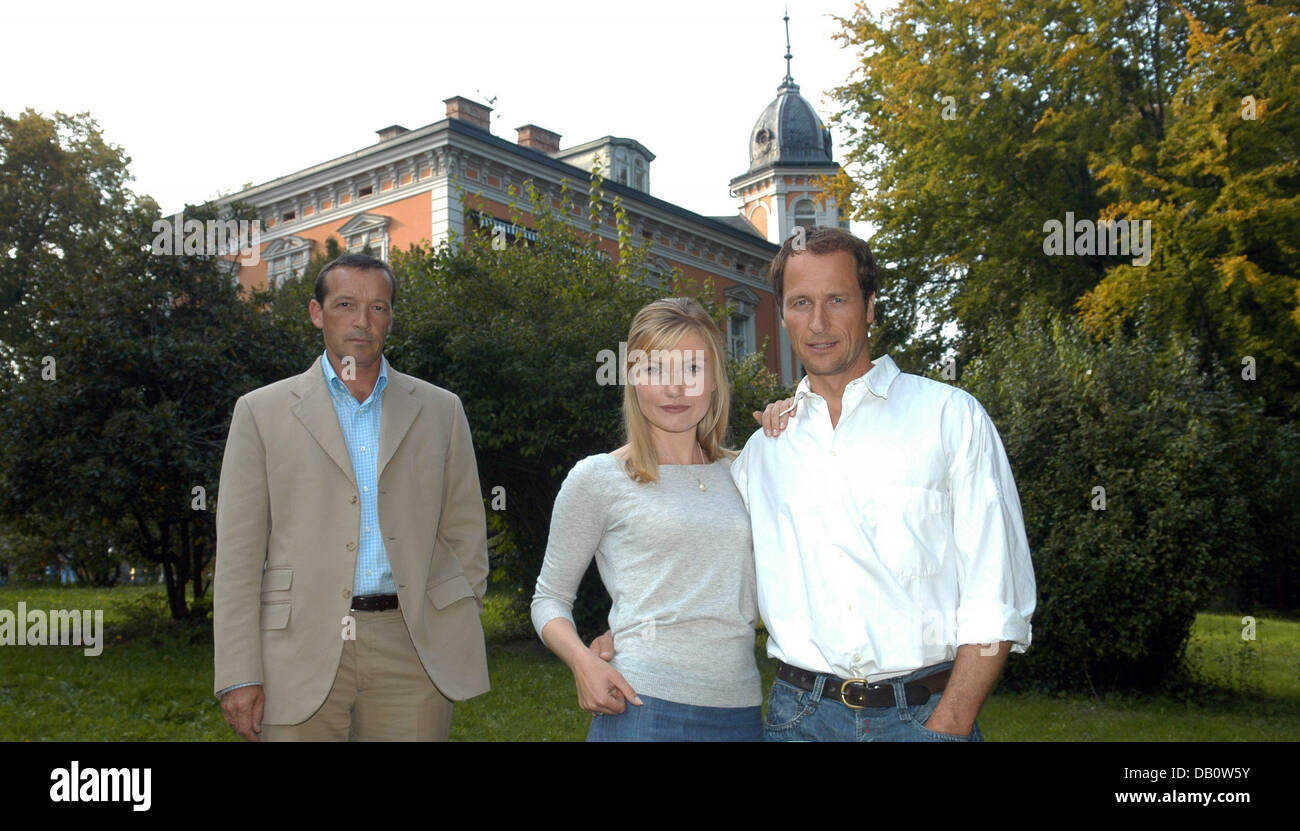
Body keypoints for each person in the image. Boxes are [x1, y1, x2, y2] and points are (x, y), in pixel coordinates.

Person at [595, 228, 1036, 741]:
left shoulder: (949, 418)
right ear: (782, 314)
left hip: (924, 715)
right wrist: (632, 632)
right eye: (801, 303)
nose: (819, 323)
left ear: (870, 307)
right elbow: (714, 566)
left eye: (838, 300)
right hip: (798, 719)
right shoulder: (764, 453)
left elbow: (996, 592)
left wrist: (951, 723)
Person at [213, 252, 490, 741]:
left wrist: (456, 612)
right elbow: (237, 557)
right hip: (297, 646)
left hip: (413, 645)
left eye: (378, 307)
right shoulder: (261, 412)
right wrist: (239, 672)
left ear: (390, 317)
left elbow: (465, 527)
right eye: (345, 304)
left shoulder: (441, 410)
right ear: (317, 313)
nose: (362, 320)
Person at [531, 298, 763, 741]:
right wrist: (583, 662)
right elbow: (548, 599)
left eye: (692, 369)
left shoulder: (749, 472)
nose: (675, 390)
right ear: (634, 378)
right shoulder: (599, 477)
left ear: (715, 380)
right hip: (643, 707)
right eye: (656, 370)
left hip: (741, 709)